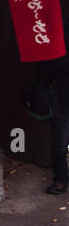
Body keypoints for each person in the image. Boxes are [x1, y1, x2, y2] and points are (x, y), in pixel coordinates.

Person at [39, 52, 69, 195]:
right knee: (60, 143)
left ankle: (61, 180)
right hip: (62, 99)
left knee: (60, 141)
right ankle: (61, 179)